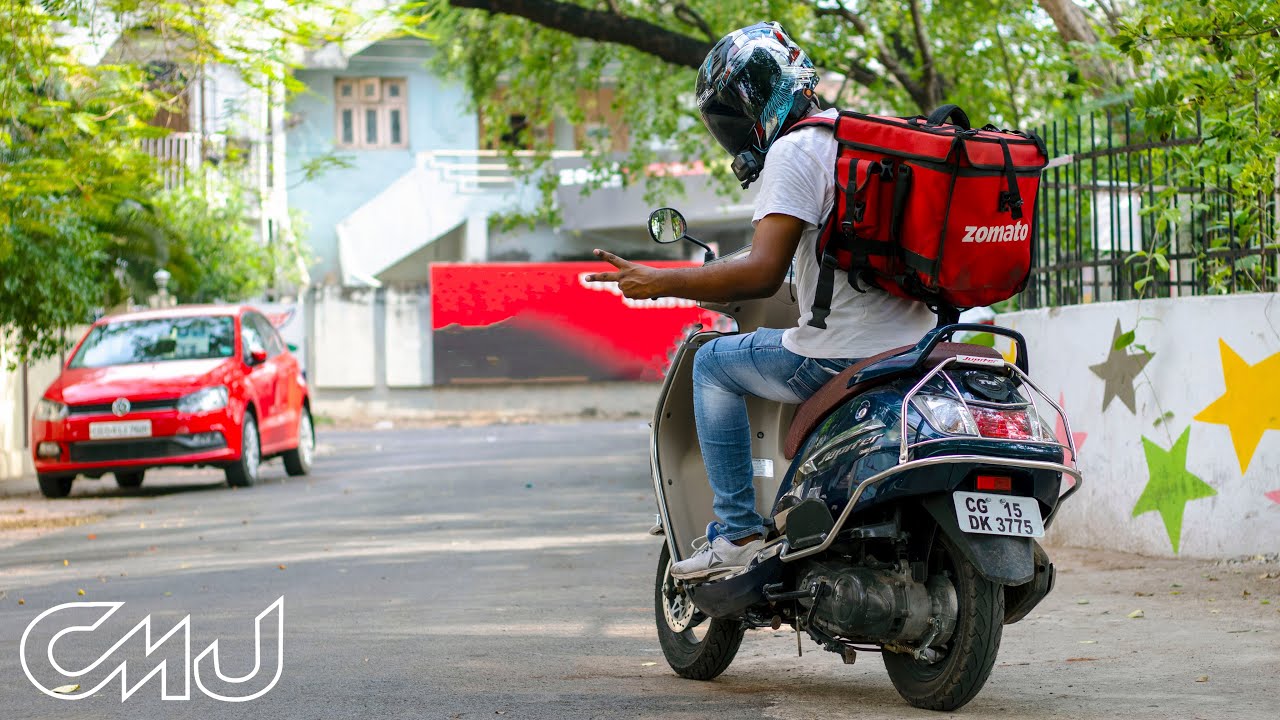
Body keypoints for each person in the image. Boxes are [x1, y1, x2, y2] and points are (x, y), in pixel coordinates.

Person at [585, 22, 936, 580]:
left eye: (728, 116)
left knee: (711, 363)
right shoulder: (863, 139)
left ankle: (736, 531)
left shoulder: (797, 151)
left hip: (837, 355)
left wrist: (660, 281)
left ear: (752, 102)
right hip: (918, 348)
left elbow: (760, 273)